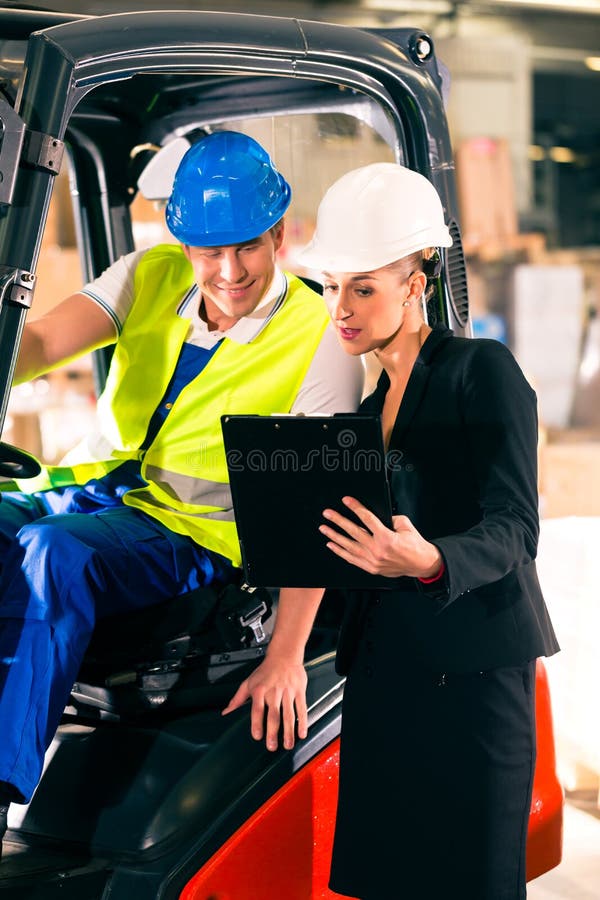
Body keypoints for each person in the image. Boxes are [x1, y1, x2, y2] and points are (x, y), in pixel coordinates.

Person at [0, 131, 363, 858]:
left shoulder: (318, 337)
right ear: (183, 242)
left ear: (280, 235)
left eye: (248, 248)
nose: (228, 272)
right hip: (98, 497)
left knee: (50, 556)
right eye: (209, 252)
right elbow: (36, 344)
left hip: (193, 537)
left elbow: (312, 511)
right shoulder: (151, 275)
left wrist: (287, 654)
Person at [225, 162, 560, 900]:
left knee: (468, 882)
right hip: (384, 675)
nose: (338, 307)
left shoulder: (482, 371)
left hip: (471, 680)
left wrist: (431, 558)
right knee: (385, 882)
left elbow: (515, 527)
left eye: (362, 288)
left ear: (417, 281)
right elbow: (338, 543)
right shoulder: (363, 407)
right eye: (329, 287)